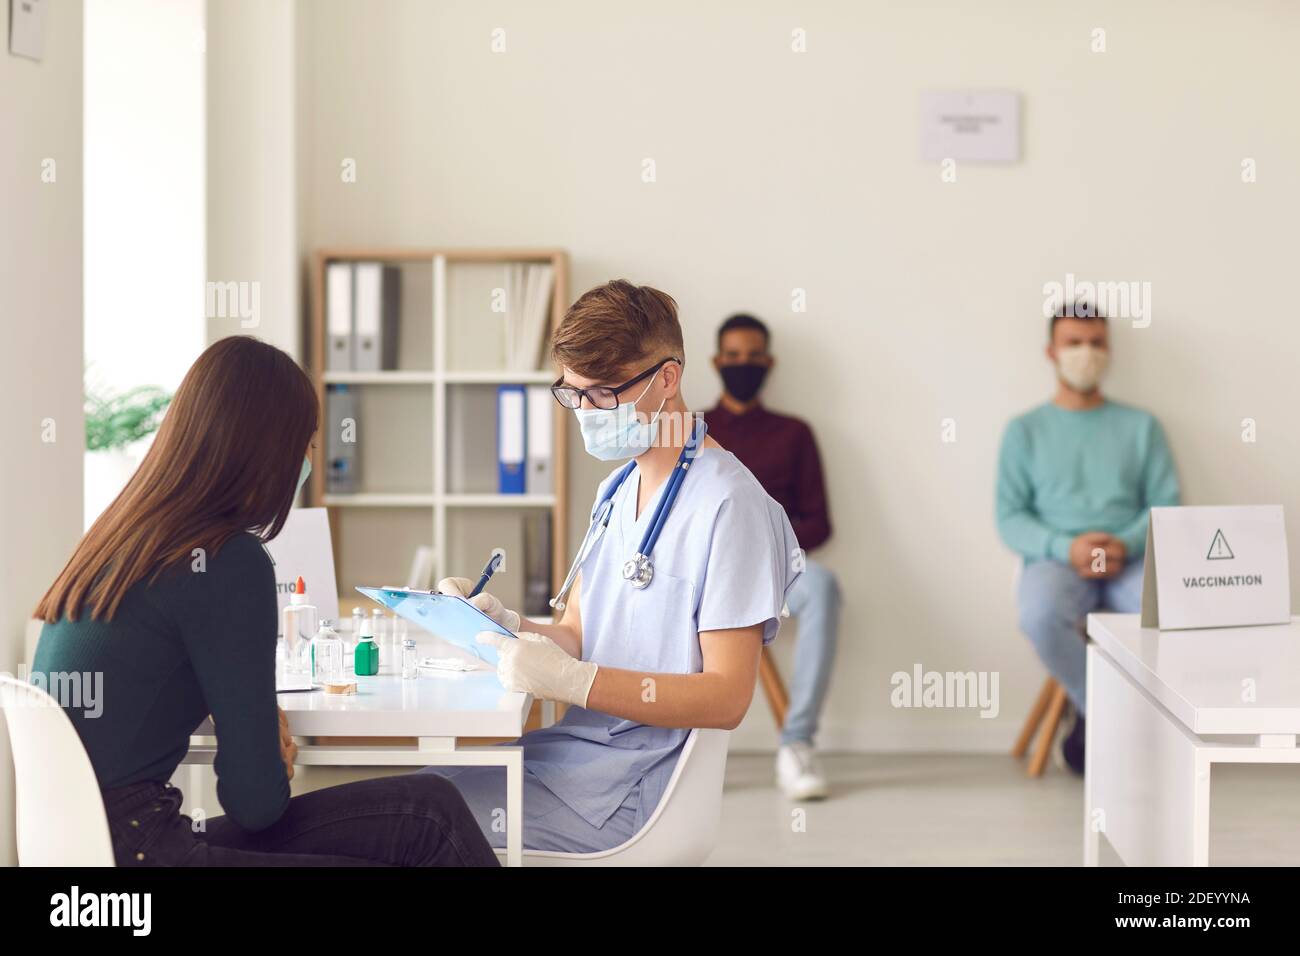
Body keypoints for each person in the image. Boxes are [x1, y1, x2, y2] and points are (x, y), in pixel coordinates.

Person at [32, 336, 496, 866]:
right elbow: (256, 805)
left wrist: (238, 701)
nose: (307, 463)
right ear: (266, 448)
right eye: (306, 444)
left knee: (429, 809)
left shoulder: (123, 537)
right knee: (427, 824)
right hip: (140, 853)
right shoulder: (227, 559)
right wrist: (260, 737)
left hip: (89, 846)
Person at [422, 280, 801, 852]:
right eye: (573, 395)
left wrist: (576, 682)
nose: (586, 414)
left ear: (667, 378)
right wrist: (500, 621)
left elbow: (727, 698)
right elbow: (576, 634)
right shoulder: (617, 488)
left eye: (603, 394)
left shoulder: (731, 504)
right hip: (573, 760)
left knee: (411, 824)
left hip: (633, 789)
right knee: (413, 796)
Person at [996, 302, 1180, 774]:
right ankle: (1102, 712)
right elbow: (1010, 517)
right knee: (1039, 615)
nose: (1086, 353)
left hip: (1130, 557)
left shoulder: (1142, 426)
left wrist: (1125, 543)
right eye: (1074, 343)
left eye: (1096, 344)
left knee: (1164, 616)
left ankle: (1137, 722)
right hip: (1057, 559)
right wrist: (1067, 547)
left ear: (1110, 350)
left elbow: (1166, 505)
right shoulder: (1024, 430)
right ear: (1050, 351)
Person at [701, 313, 841, 801]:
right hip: (706, 572)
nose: (744, 365)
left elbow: (820, 524)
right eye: (733, 356)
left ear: (769, 362)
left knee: (823, 587)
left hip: (780, 568)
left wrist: (763, 540)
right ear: (717, 362)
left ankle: (797, 742)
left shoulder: (794, 433)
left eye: (753, 356)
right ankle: (686, 747)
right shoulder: (691, 430)